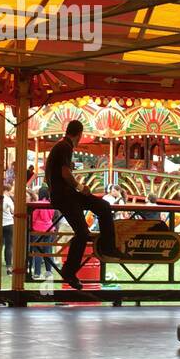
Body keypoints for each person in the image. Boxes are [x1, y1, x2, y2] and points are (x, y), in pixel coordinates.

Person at [46, 120, 116, 290]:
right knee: (84, 231)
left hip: (65, 196)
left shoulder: (60, 146)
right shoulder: (65, 147)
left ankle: (107, 247)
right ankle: (71, 269)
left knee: (103, 207)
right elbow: (65, 173)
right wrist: (80, 187)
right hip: (66, 197)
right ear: (79, 134)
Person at [30, 183, 57, 280]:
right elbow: (52, 216)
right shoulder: (51, 204)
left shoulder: (38, 204)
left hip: (38, 229)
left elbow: (33, 218)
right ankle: (49, 272)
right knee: (47, 251)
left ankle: (37, 273)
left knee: (38, 252)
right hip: (49, 228)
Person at [1, 178, 16, 275]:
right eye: (10, 191)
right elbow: (13, 211)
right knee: (8, 246)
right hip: (9, 224)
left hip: (0, 224)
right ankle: (8, 267)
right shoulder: (7, 199)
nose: (11, 193)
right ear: (6, 190)